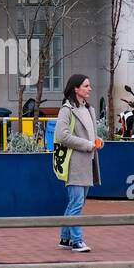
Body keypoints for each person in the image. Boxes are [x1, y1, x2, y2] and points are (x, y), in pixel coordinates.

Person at [55, 73, 103, 253]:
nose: (89, 88)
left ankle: (65, 238)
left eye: (89, 86)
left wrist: (97, 140)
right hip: (75, 162)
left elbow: (90, 134)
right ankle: (77, 241)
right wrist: (88, 145)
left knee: (77, 203)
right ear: (76, 89)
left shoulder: (89, 109)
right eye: (85, 86)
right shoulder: (67, 109)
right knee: (76, 203)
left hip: (88, 162)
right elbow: (62, 135)